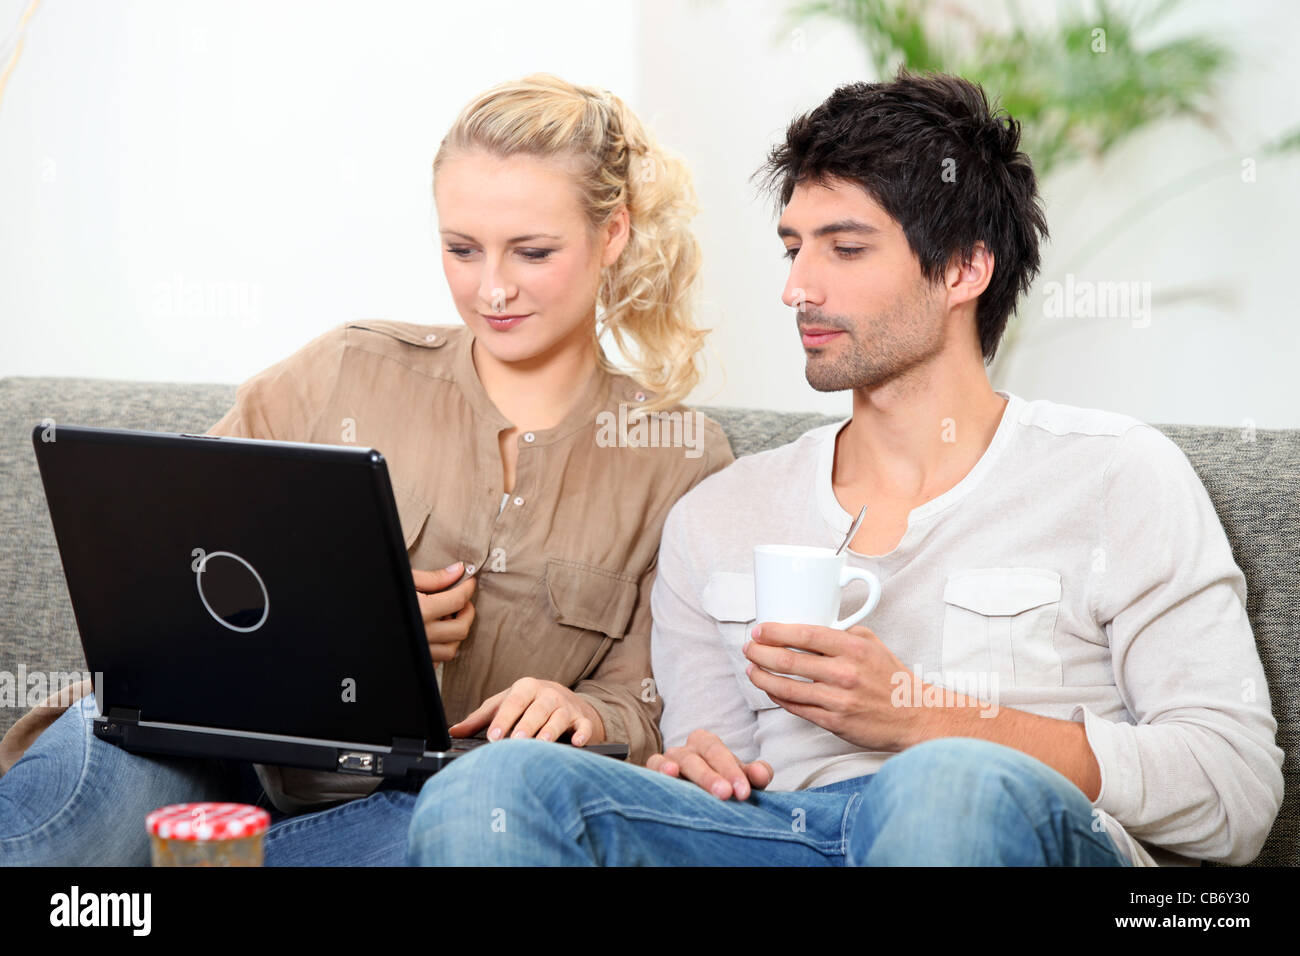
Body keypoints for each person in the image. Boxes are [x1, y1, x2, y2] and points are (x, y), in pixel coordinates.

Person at [405, 70, 1285, 867]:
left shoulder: (1115, 476)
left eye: (846, 248)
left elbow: (1236, 794)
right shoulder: (720, 514)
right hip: (777, 836)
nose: (798, 287)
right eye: (795, 248)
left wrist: (921, 716)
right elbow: (709, 762)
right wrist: (688, 765)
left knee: (944, 788)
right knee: (496, 785)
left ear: (966, 266)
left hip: (1000, 826)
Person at [0, 73, 733, 865]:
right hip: (200, 751)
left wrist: (580, 712)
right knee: (41, 842)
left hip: (424, 806)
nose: (492, 288)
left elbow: (653, 698)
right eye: (461, 249)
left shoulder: (677, 458)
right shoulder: (347, 370)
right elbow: (160, 583)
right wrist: (339, 632)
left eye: (533, 251)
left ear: (613, 233)